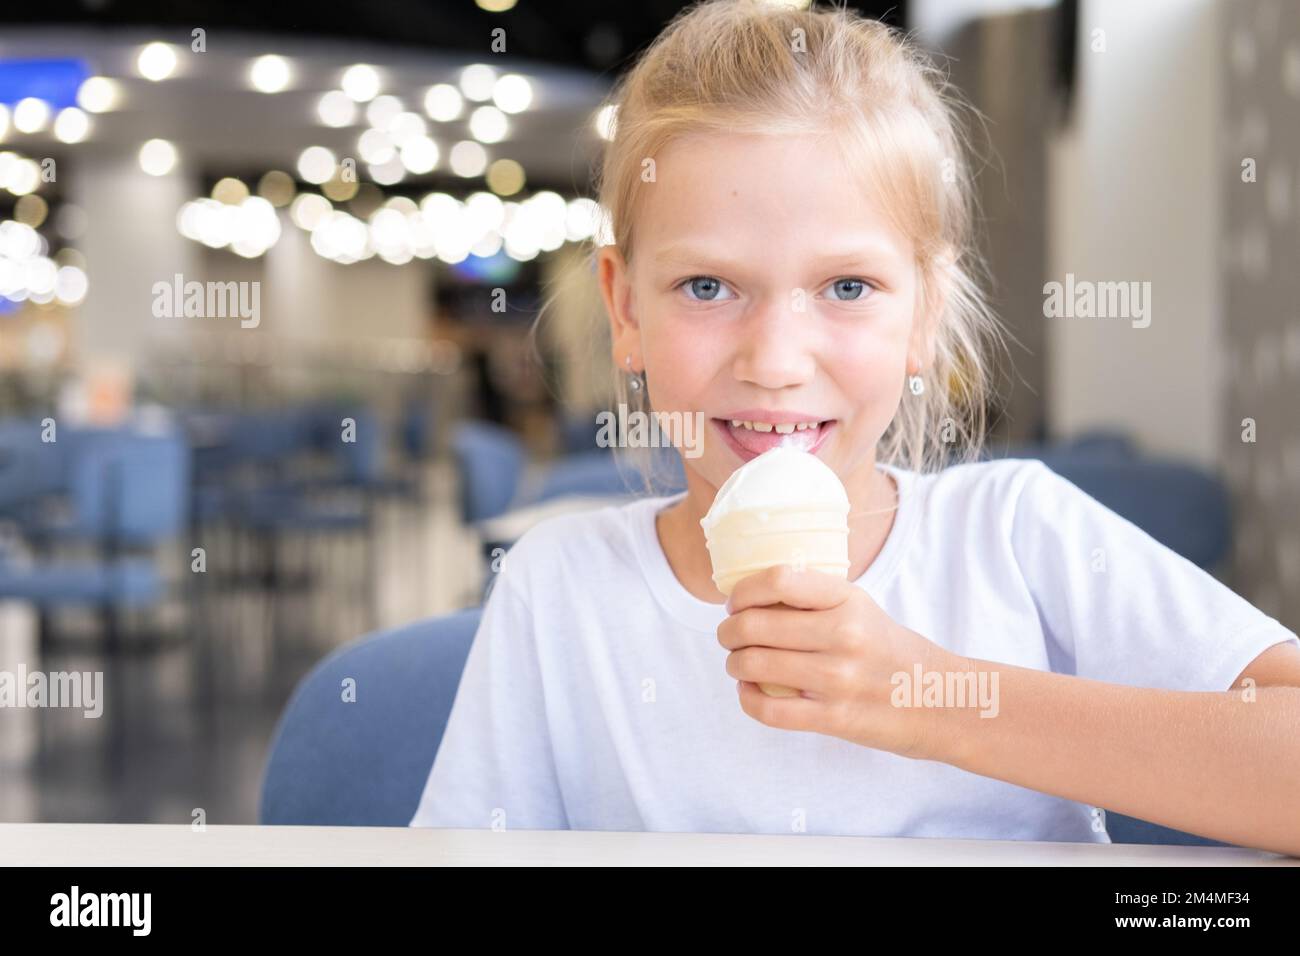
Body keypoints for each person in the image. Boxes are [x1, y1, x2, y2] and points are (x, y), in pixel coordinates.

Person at [411, 0, 1300, 852]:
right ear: (625, 309)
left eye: (847, 288)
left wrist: (928, 697)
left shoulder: (1017, 537)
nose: (777, 360)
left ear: (925, 314)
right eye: (708, 287)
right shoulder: (559, 591)